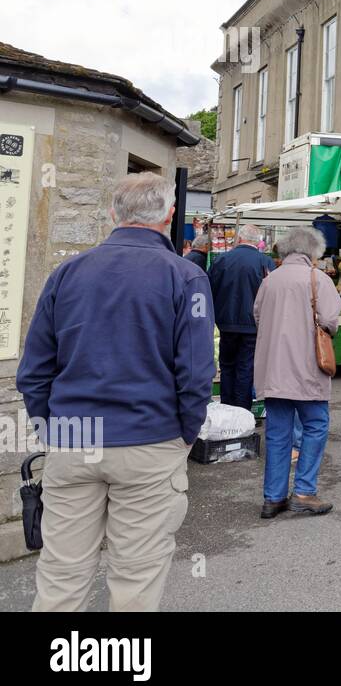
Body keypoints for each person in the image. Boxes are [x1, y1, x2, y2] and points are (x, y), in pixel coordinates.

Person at [17, 173, 214, 611]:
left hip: (74, 439)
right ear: (169, 215)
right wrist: (184, 434)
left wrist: (52, 429)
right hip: (149, 439)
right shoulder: (184, 276)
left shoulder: (67, 273)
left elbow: (33, 371)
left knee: (62, 572)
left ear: (113, 214)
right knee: (136, 574)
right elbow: (197, 373)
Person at [253, 226, 341, 518]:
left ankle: (273, 497)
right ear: (313, 251)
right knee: (315, 426)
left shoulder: (270, 280)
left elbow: (257, 316)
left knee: (278, 432)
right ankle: (304, 491)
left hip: (273, 370)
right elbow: (330, 321)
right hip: (307, 368)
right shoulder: (320, 279)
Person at [208, 223, 274, 411]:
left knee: (227, 366)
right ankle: (242, 412)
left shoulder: (222, 260)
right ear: (258, 241)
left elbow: (210, 289)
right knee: (245, 369)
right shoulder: (265, 262)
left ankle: (228, 410)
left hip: (226, 324)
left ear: (239, 238)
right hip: (253, 325)